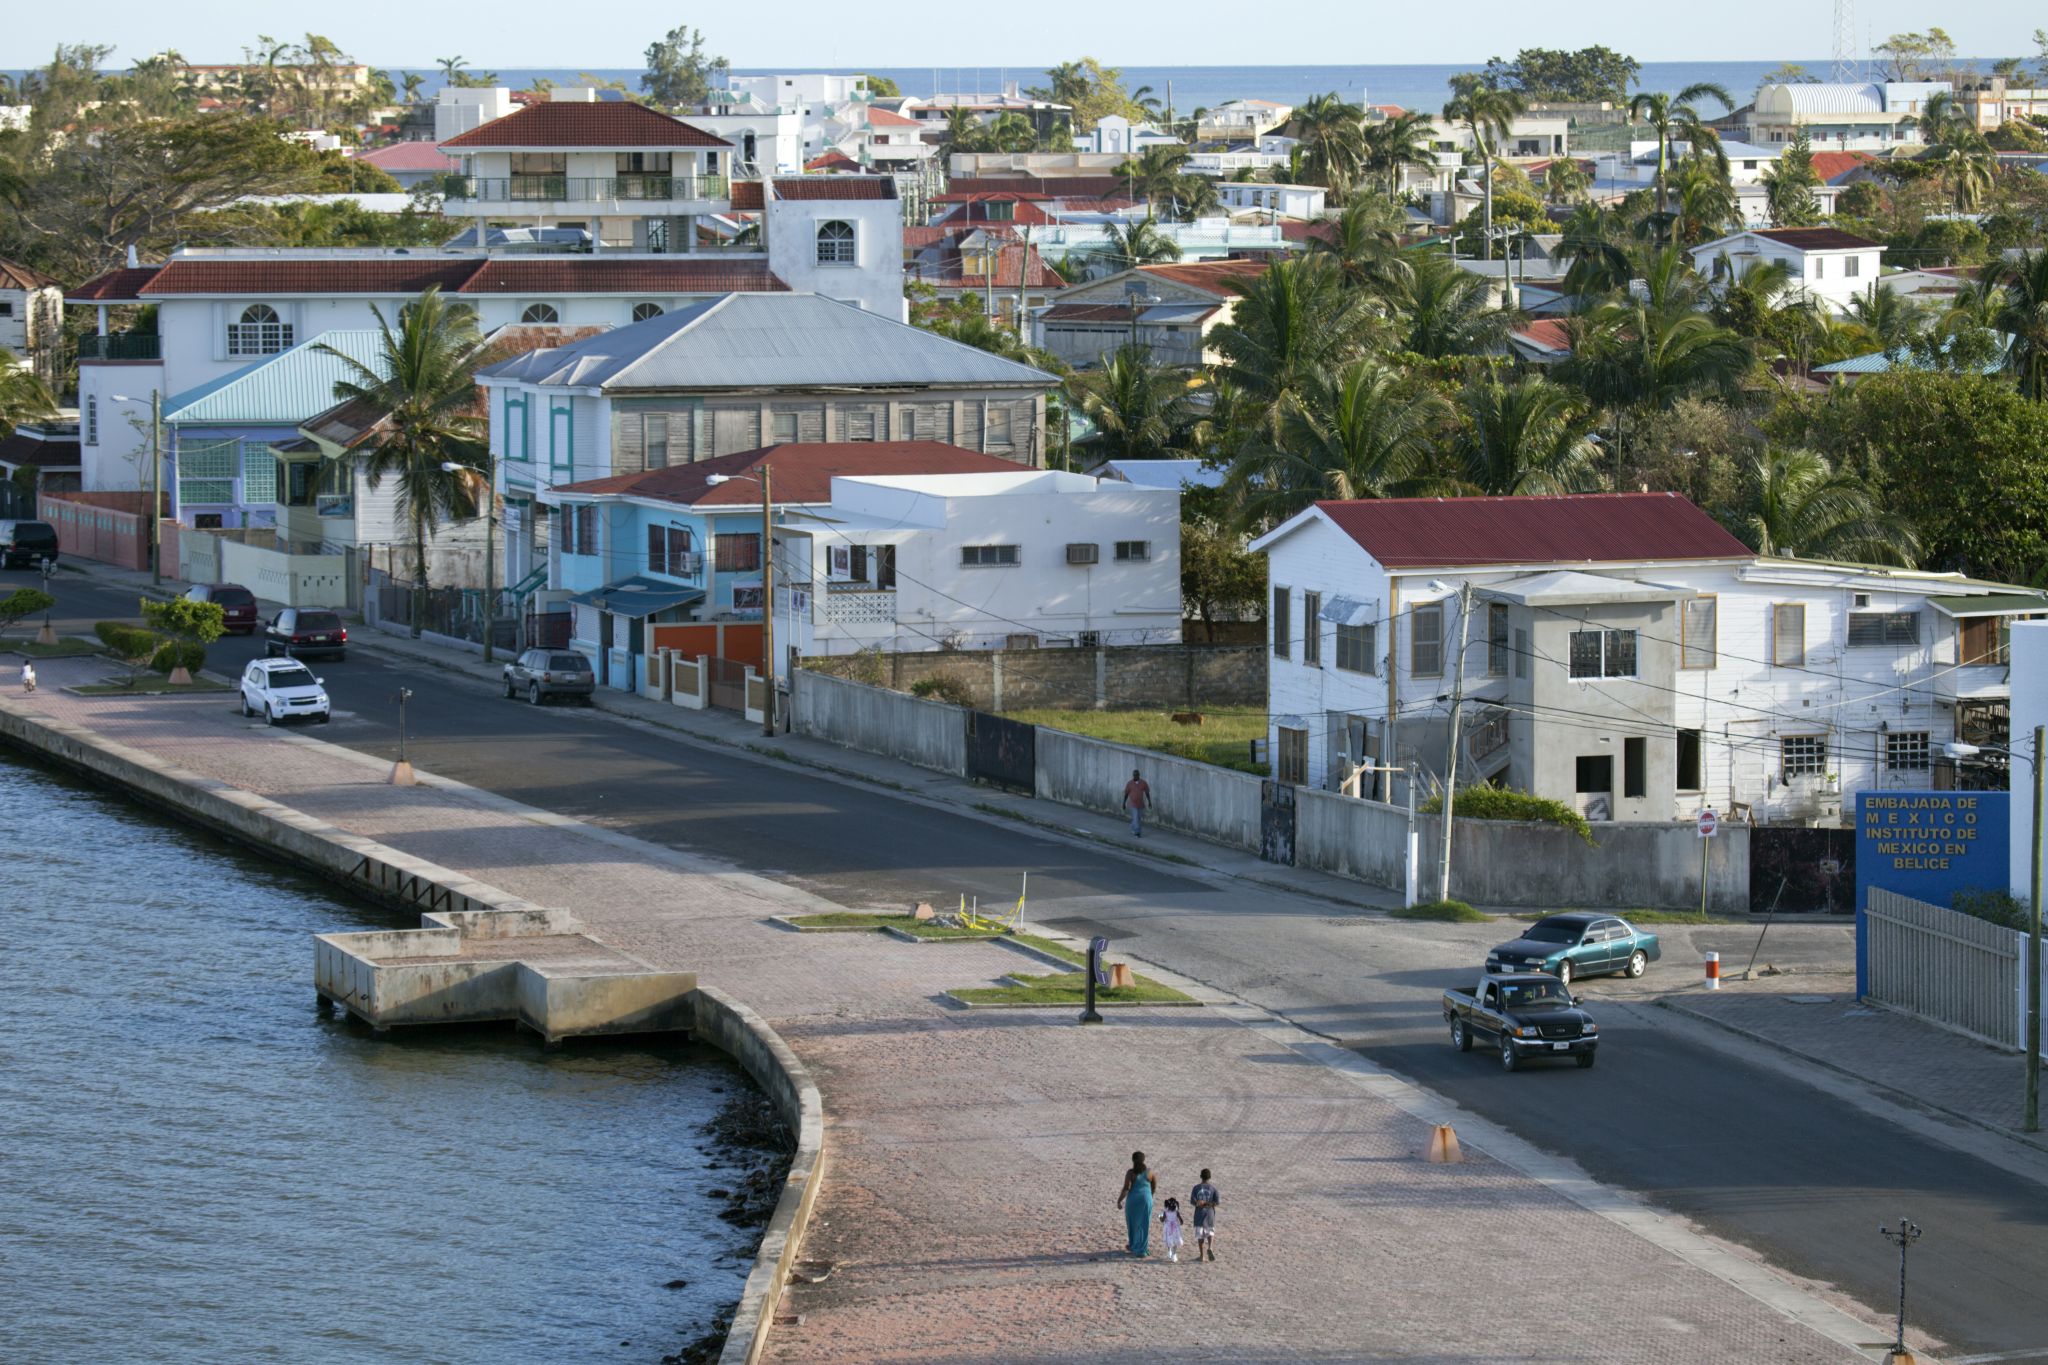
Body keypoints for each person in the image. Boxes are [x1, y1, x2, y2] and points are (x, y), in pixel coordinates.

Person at [1116, 1150, 1156, 1257]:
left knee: (1132, 1223)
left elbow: (1126, 1188)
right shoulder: (1149, 1172)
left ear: (1133, 1160)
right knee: (1144, 1224)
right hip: (1146, 1199)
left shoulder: (1130, 1173)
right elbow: (1154, 1186)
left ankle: (1133, 1245)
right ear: (1144, 1160)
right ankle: (1142, 1249)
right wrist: (1150, 1196)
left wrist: (1119, 1200)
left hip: (1133, 1200)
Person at [1190, 1168, 1219, 1261]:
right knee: (1210, 1231)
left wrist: (1200, 1203)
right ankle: (1210, 1247)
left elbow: (1192, 1201)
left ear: (1200, 1176)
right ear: (1209, 1177)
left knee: (1200, 1235)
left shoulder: (1196, 1188)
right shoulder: (1213, 1188)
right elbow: (1217, 1202)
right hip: (1210, 1213)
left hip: (1199, 1214)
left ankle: (1202, 1255)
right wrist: (1208, 1204)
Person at [1122, 768, 1151, 838]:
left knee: (1138, 818)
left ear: (1139, 775)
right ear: (1133, 775)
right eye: (1134, 775)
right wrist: (1124, 803)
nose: (1135, 776)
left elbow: (1147, 793)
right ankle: (1137, 832)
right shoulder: (1129, 784)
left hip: (1140, 804)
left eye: (1137, 775)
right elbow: (1126, 794)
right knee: (1135, 817)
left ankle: (1133, 827)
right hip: (1133, 804)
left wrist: (1150, 802)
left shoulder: (1143, 783)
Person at [1161, 1197, 1184, 1263]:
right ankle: (1174, 1254)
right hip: (1175, 1228)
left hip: (1168, 1227)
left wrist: (1160, 1217)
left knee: (1169, 1240)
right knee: (1175, 1240)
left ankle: (1169, 1252)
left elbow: (1162, 1220)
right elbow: (1181, 1221)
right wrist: (1181, 1222)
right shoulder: (1177, 1212)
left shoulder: (1165, 1212)